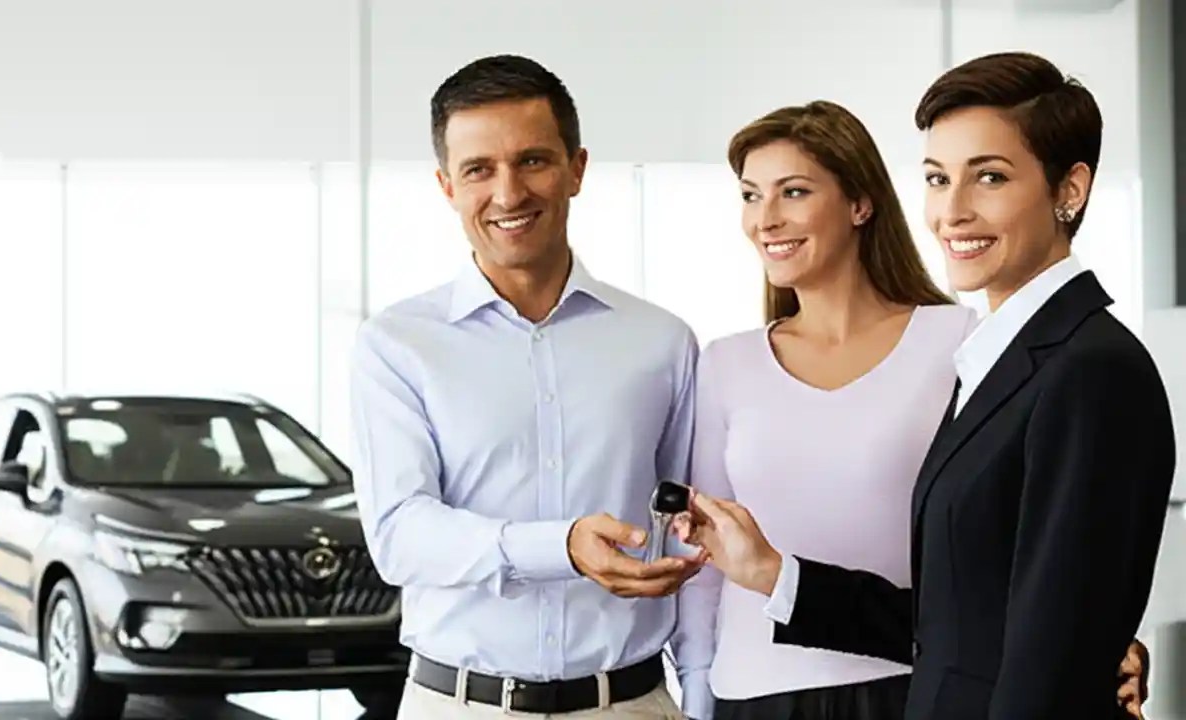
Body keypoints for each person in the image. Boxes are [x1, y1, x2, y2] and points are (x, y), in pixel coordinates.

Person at [679, 52, 1174, 720]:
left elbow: (1048, 661)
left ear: (1071, 189)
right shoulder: (995, 362)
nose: (953, 211)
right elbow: (954, 628)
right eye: (939, 180)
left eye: (990, 177)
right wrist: (773, 573)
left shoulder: (1089, 369)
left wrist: (1099, 649)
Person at [349, 54, 705, 719]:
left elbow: (693, 533)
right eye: (478, 169)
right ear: (446, 185)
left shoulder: (662, 342)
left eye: (533, 161)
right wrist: (560, 547)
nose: (509, 194)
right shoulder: (397, 345)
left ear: (577, 168)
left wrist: (703, 694)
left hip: (630, 705)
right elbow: (399, 532)